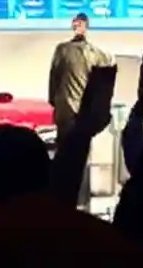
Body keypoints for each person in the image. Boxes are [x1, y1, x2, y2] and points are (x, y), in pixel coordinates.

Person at [46, 13, 111, 209]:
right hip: (82, 115)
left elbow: (54, 80)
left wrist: (55, 102)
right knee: (78, 158)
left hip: (69, 112)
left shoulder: (64, 51)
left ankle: (65, 203)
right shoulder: (97, 55)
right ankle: (76, 203)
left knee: (67, 159)